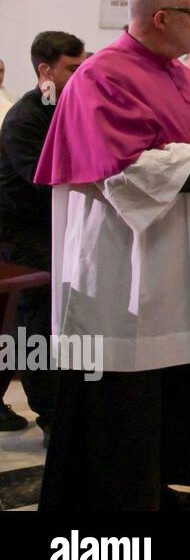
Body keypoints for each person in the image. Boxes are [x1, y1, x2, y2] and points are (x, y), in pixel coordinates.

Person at [34, 0, 190, 510]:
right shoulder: (100, 75)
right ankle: (112, 500)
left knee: (171, 378)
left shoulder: (178, 75)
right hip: (125, 256)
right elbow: (118, 172)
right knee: (125, 384)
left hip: (178, 253)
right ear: (161, 17)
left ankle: (153, 485)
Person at [0, 32, 88, 438]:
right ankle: (50, 411)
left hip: (60, 229)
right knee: (37, 320)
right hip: (21, 234)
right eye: (73, 67)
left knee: (56, 318)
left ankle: (65, 406)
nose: (81, 72)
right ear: (45, 70)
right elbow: (46, 179)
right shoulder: (25, 119)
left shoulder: (72, 108)